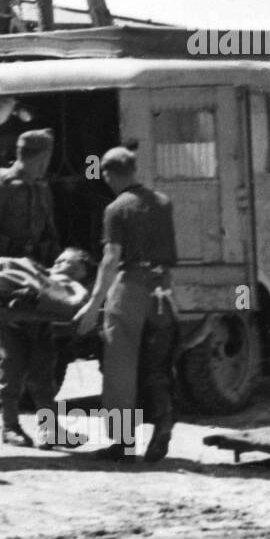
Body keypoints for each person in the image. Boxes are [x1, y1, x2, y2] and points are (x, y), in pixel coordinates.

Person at [74, 147, 178, 463]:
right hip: (162, 290)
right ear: (134, 169)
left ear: (108, 174)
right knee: (158, 365)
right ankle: (163, 425)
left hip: (130, 290)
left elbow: (111, 259)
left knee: (120, 368)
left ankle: (121, 444)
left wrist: (93, 305)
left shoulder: (116, 208)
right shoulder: (163, 202)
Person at [0, 128, 61, 446]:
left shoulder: (40, 188)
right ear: (40, 157)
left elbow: (50, 233)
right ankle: (10, 426)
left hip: (38, 281)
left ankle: (48, 429)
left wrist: (57, 273)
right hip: (9, 284)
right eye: (46, 157)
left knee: (44, 357)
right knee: (13, 356)